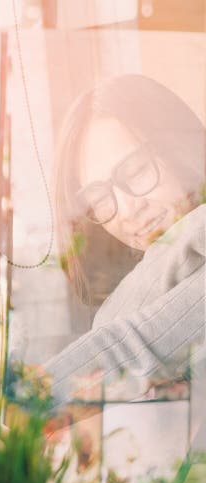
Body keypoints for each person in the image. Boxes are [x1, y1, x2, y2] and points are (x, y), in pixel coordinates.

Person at [45, 73, 206, 409]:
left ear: (179, 148)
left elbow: (135, 344)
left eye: (135, 171)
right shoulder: (152, 284)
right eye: (99, 197)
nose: (128, 210)